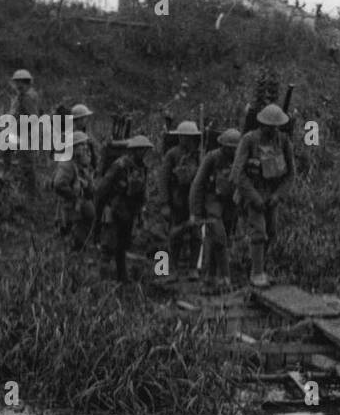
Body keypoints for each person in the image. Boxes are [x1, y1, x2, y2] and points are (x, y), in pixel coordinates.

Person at [230, 104, 294, 287]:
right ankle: (256, 274)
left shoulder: (283, 142)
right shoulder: (249, 140)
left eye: (276, 126)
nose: (272, 130)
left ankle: (261, 269)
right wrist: (254, 197)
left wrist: (278, 196)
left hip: (272, 195)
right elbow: (237, 173)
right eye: (269, 126)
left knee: (271, 233)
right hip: (251, 193)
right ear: (262, 124)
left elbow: (291, 174)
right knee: (259, 232)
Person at [94, 135, 152, 283]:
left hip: (129, 212)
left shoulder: (142, 168)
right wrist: (101, 208)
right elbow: (102, 188)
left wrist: (140, 212)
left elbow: (143, 192)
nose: (144, 153)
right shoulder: (119, 165)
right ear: (135, 150)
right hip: (114, 211)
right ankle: (103, 283)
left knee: (122, 247)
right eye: (142, 150)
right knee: (108, 248)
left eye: (145, 150)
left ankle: (123, 279)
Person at [190, 128, 242, 289]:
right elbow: (197, 185)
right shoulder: (212, 158)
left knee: (218, 239)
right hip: (212, 201)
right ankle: (225, 277)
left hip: (230, 204)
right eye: (229, 148)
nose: (232, 151)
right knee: (219, 237)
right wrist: (195, 212)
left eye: (235, 148)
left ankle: (210, 275)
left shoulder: (241, 159)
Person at [157, 119, 202, 272]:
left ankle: (192, 269)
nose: (187, 140)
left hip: (194, 201)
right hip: (177, 200)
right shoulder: (172, 154)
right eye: (184, 137)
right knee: (173, 236)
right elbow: (163, 178)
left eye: (190, 137)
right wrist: (164, 203)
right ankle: (167, 270)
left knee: (196, 235)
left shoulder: (198, 155)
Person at [52, 131, 96, 251]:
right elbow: (58, 184)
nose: (85, 148)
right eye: (82, 145)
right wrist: (74, 196)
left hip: (79, 207)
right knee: (70, 233)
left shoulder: (80, 162)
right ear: (74, 147)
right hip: (71, 207)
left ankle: (77, 248)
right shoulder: (67, 164)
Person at [9, 69, 40, 198]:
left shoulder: (27, 98)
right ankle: (24, 191)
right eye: (16, 82)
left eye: (19, 83)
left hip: (25, 134)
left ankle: (30, 195)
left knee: (27, 166)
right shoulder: (22, 96)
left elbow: (33, 117)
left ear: (25, 83)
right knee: (21, 163)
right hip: (19, 133)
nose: (17, 86)